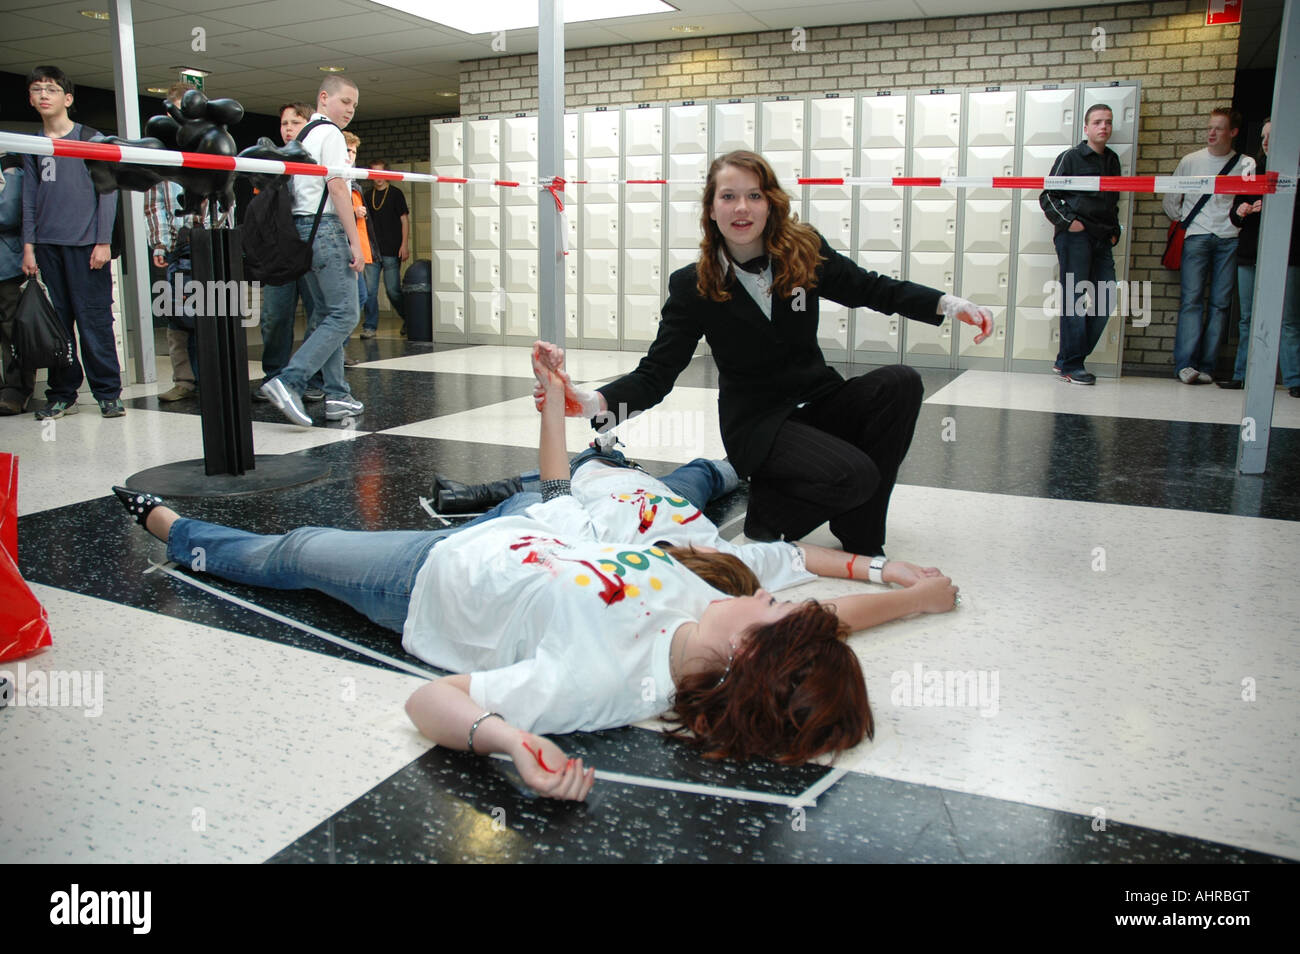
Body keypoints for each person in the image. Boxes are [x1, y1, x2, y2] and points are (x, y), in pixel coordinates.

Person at [112, 342, 960, 801]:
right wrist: (902, 586)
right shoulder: (719, 591)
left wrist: (510, 740)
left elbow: (429, 701)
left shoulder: (603, 684)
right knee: (635, 487)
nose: (780, 600)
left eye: (780, 621)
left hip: (425, 573)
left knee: (292, 553)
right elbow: (562, 500)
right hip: (534, 519)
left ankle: (182, 532)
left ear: (747, 663)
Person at [537, 150, 994, 557]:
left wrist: (950, 305)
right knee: (854, 475)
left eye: (754, 196)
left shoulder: (804, 251)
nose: (741, 207)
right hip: (760, 425)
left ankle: (861, 532)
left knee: (901, 381)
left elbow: (871, 288)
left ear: (770, 203)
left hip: (818, 400)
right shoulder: (694, 284)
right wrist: (591, 404)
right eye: (728, 196)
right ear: (711, 210)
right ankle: (769, 515)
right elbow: (657, 373)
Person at [260, 77, 366, 426]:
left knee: (325, 314)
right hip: (328, 229)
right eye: (345, 101)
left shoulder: (304, 136)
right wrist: (355, 241)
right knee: (345, 314)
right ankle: (290, 381)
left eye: (354, 104)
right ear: (324, 98)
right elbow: (337, 188)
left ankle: (337, 395)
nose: (350, 110)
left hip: (304, 231)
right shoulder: (331, 135)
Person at [20, 65, 123, 420]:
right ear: (31, 100)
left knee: (94, 321)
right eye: (37, 90)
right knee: (58, 326)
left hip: (87, 247)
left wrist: (103, 241)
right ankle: (63, 393)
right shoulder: (33, 144)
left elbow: (107, 193)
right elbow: (29, 197)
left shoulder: (91, 140)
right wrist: (29, 246)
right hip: (47, 247)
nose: (43, 95)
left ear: (67, 99)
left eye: (50, 89)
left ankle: (108, 393)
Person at [1163, 107, 1255, 385]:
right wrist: (1185, 222)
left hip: (1230, 238)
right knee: (1191, 301)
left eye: (1218, 128)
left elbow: (1250, 199)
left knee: (1220, 304)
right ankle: (1186, 365)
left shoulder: (1245, 163)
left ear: (1233, 132)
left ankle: (1207, 366)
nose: (1211, 133)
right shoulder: (1191, 161)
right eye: (1209, 128)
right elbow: (1171, 199)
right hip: (1197, 237)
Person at [145, 82, 219, 403]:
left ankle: (212, 378)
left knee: (209, 312)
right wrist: (160, 243)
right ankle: (184, 379)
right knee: (176, 317)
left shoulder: (211, 147)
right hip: (176, 243)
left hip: (207, 242)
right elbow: (155, 203)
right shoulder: (160, 155)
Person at [1039, 103, 1123, 386]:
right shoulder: (1071, 157)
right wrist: (1069, 222)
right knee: (1074, 299)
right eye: (1098, 122)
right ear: (1086, 128)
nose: (1104, 127)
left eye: (1108, 122)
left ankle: (1067, 359)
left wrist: (1114, 232)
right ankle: (1073, 365)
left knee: (1106, 297)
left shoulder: (1112, 161)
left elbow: (1114, 200)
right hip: (1075, 237)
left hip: (1102, 238)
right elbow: (1048, 196)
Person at [1218, 119, 1300, 397]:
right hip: (1250, 252)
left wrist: (1276, 206)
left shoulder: (1293, 173)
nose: (1266, 141)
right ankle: (1242, 375)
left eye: (1272, 136)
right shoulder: (1252, 172)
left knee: (1287, 319)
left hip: (1287, 254)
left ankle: (1294, 379)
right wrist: (1240, 211)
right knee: (1247, 318)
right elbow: (1233, 216)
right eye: (1263, 136)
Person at [253, 102, 320, 402]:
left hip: (309, 248)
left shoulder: (316, 160)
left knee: (319, 314)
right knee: (275, 317)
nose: (289, 128)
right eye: (284, 123)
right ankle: (274, 377)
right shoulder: (269, 164)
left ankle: (310, 377)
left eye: (295, 122)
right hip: (278, 253)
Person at [1, 154, 36, 415]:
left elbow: (11, 211)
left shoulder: (10, 164)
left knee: (12, 328)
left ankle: (16, 390)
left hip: (7, 262)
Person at [361, 159, 409, 338]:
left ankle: (409, 319)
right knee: (369, 291)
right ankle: (370, 326)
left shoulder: (396, 194)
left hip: (392, 249)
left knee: (393, 290)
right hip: (373, 251)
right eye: (374, 174)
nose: (378, 178)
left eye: (381, 173)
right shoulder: (367, 195)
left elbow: (404, 220)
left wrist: (404, 244)